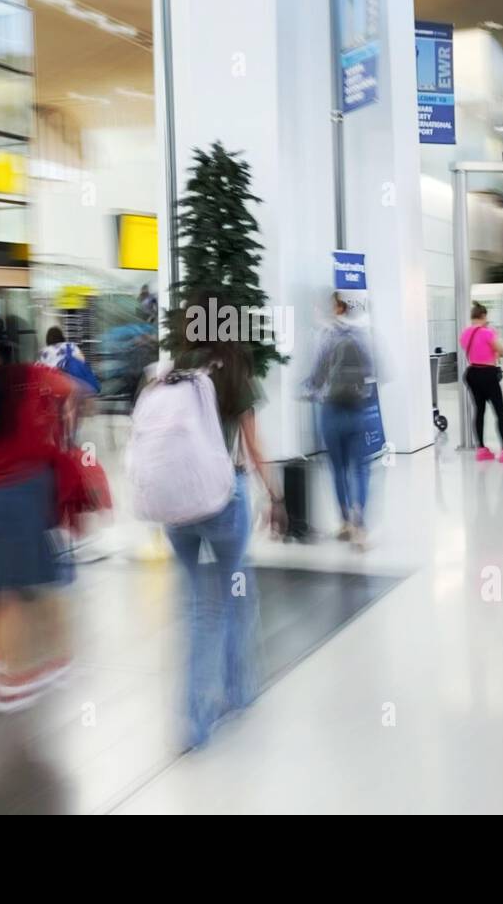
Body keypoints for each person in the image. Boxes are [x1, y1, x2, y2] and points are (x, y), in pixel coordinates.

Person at [165, 290, 283, 750]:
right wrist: (275, 494)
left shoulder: (176, 366)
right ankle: (238, 690)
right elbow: (252, 447)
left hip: (176, 504)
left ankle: (194, 716)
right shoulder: (236, 366)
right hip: (220, 496)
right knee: (236, 590)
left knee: (198, 605)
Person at [0, 315, 76, 712]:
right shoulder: (33, 377)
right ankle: (16, 679)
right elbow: (71, 389)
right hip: (24, 490)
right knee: (16, 584)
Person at [305, 291, 375, 547]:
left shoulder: (326, 336)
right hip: (358, 409)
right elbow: (373, 369)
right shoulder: (363, 334)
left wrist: (311, 390)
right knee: (361, 468)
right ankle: (360, 523)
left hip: (331, 410)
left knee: (338, 469)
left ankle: (345, 520)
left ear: (336, 307)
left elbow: (316, 377)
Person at [460, 302, 503, 463]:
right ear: (484, 316)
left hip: (472, 374)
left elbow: (469, 349)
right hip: (488, 374)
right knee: (499, 412)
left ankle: (481, 449)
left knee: (479, 411)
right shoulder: (488, 332)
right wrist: (494, 337)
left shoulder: (465, 334)